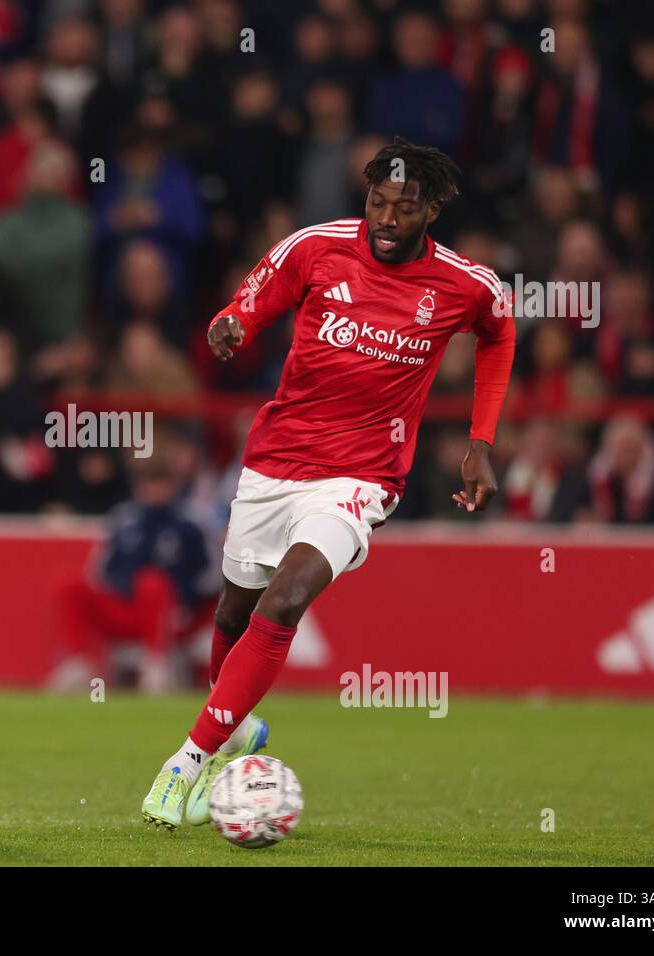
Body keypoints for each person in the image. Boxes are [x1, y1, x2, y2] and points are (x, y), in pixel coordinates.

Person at [140, 138, 516, 829]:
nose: (387, 218)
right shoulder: (316, 247)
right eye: (378, 202)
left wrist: (479, 444)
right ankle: (236, 725)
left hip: (363, 477)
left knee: (283, 601)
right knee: (232, 614)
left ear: (432, 211)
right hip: (275, 462)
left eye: (405, 208)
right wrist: (233, 325)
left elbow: (499, 333)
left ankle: (186, 762)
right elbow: (252, 299)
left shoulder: (465, 284)